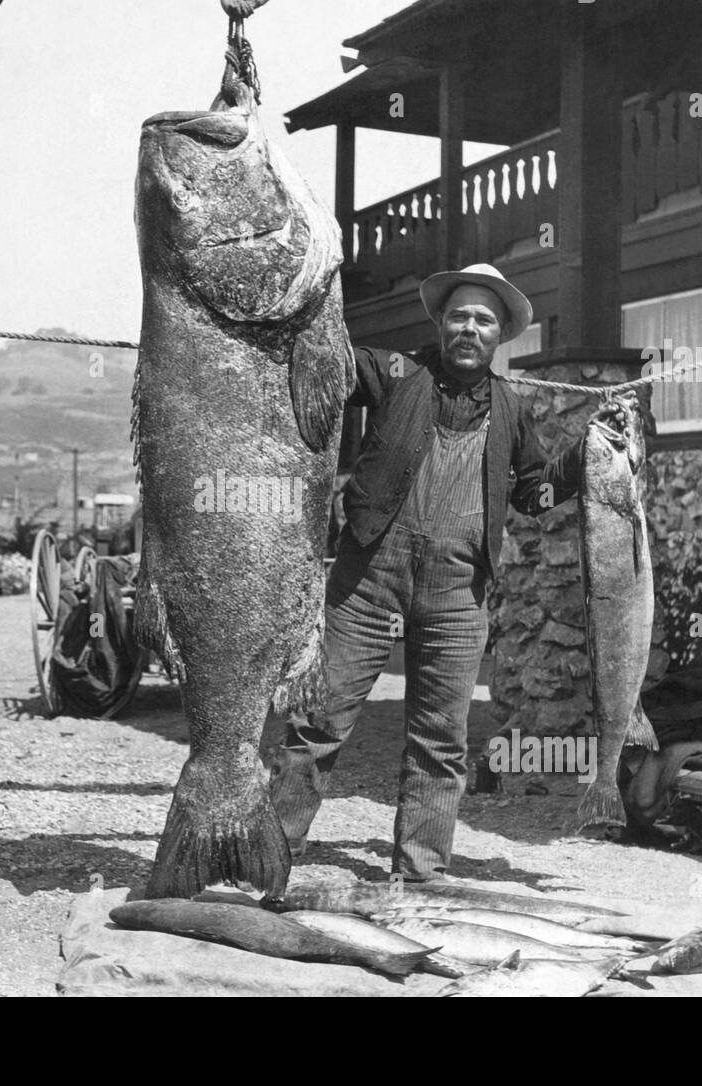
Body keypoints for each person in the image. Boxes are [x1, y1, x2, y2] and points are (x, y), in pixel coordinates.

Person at [267, 263, 629, 882]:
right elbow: (326, 364)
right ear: (441, 322)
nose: (469, 328)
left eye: (483, 320)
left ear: (500, 336)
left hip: (459, 595)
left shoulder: (512, 411)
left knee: (440, 742)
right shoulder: (395, 372)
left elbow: (533, 495)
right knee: (318, 723)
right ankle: (266, 854)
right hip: (367, 579)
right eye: (459, 315)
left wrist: (586, 462)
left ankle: (421, 873)